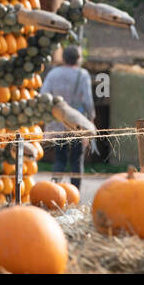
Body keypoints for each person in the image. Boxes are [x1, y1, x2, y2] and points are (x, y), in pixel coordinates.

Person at [40, 45, 95, 190]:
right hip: (77, 123)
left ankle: (53, 191)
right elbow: (88, 101)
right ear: (78, 59)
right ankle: (74, 196)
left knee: (60, 158)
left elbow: (44, 94)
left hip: (58, 121)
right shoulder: (82, 75)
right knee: (77, 161)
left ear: (63, 58)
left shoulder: (53, 74)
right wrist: (91, 119)